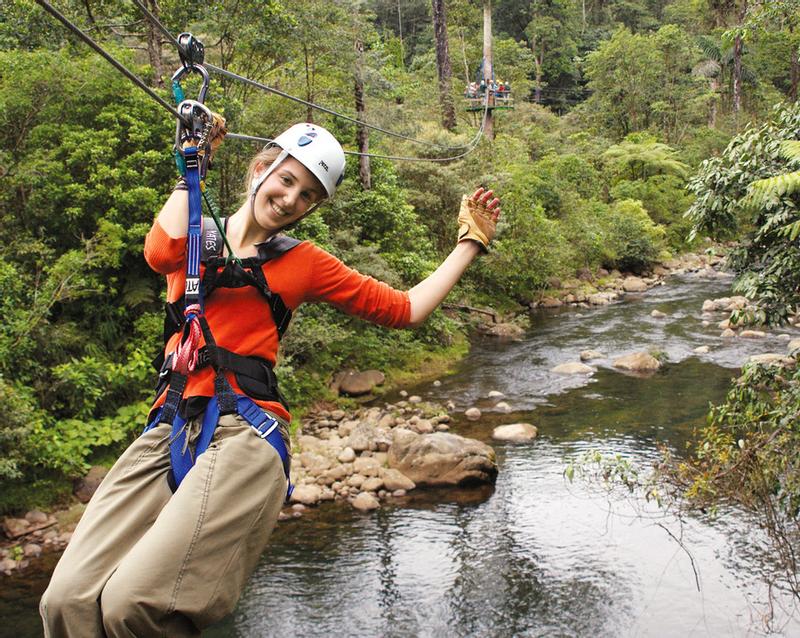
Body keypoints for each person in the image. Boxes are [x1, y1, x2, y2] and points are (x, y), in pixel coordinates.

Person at [39, 121, 500, 638]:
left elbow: (405, 309)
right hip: (170, 427)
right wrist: (193, 165)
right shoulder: (194, 235)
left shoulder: (303, 263)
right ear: (260, 169)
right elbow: (159, 254)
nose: (289, 200)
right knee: (66, 601)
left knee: (133, 604)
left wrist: (471, 242)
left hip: (245, 433)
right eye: (286, 180)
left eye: (307, 197)